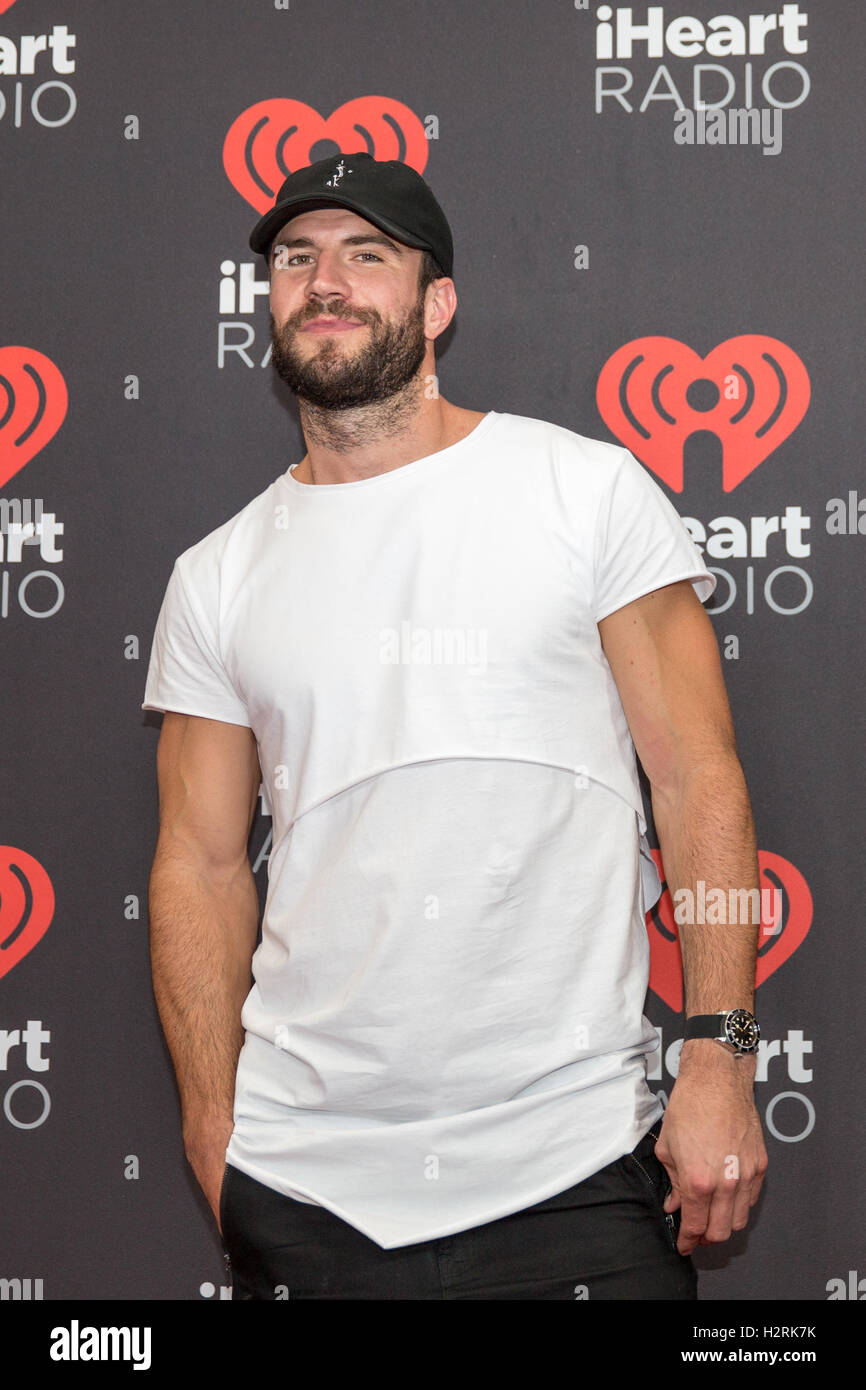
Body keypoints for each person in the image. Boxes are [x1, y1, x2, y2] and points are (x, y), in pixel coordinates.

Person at [142, 151, 767, 1300]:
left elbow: (695, 782)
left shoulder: (582, 492)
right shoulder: (217, 575)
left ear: (435, 305)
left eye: (365, 255)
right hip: (305, 1186)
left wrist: (718, 1052)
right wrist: (214, 1133)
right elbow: (198, 861)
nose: (324, 282)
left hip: (573, 1163)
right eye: (295, 258)